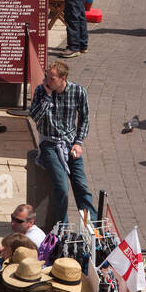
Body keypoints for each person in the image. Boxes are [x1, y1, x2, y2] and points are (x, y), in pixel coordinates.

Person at [29, 60, 97, 227]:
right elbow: (35, 117)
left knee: (81, 186)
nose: (47, 81)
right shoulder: (41, 91)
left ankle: (92, 226)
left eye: (52, 79)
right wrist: (47, 97)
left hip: (69, 143)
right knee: (62, 186)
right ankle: (62, 227)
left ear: (63, 78)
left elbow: (84, 119)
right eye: (46, 77)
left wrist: (78, 142)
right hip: (49, 144)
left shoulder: (78, 91)